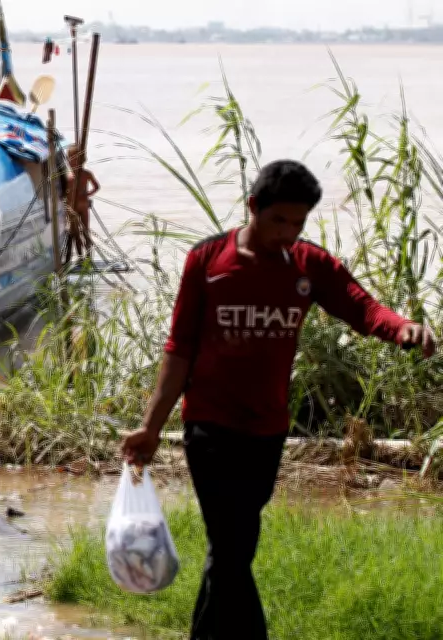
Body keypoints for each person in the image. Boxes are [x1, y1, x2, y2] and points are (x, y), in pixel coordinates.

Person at [121, 159, 436, 640]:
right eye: (278, 221)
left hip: (267, 429)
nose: (288, 233)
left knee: (233, 550)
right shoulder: (207, 261)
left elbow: (361, 307)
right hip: (209, 425)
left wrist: (402, 328)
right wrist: (150, 426)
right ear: (253, 208)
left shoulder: (310, 265)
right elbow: (178, 350)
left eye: (298, 223)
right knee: (230, 546)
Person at [66, 145, 100, 242]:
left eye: (75, 159)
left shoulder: (84, 174)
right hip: (74, 207)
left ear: (82, 161)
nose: (72, 162)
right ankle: (81, 254)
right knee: (76, 233)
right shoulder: (68, 176)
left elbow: (96, 187)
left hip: (81, 205)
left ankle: (88, 251)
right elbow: (62, 192)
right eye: (71, 159)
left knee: (85, 231)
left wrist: (87, 194)